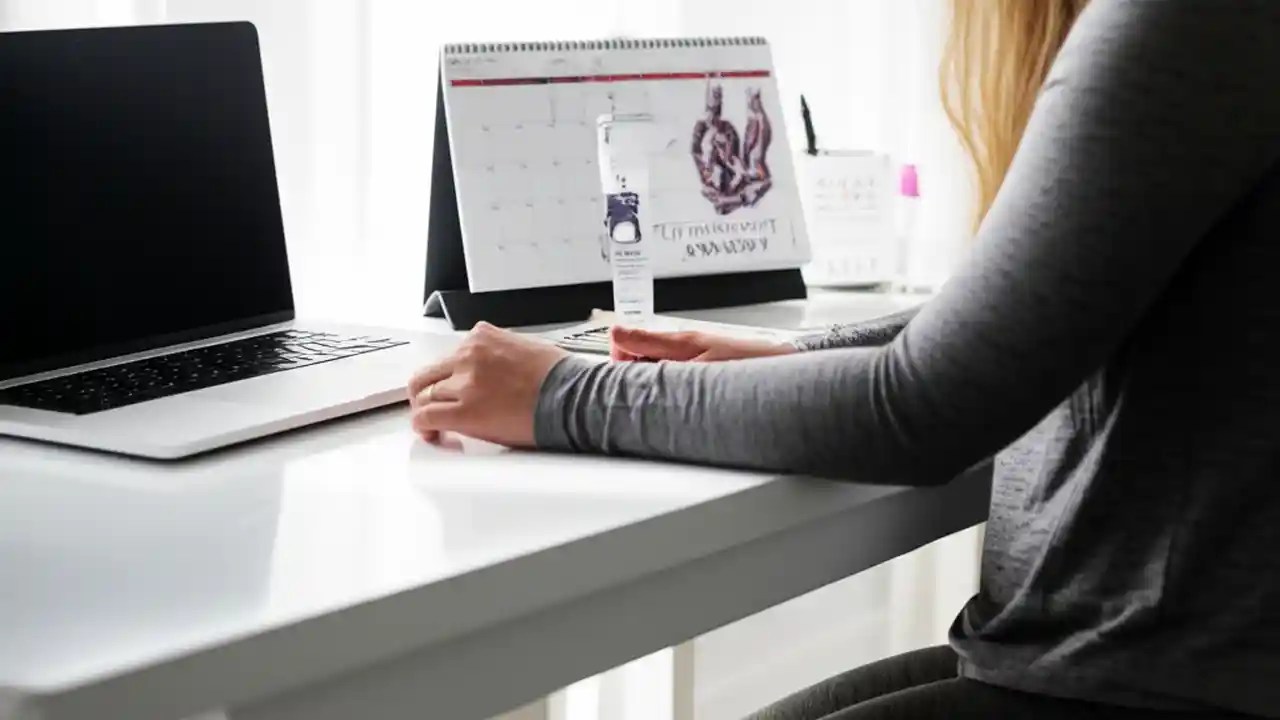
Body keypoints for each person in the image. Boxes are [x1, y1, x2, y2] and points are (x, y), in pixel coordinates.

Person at [408, 1, 1280, 716]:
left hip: (1153, 683)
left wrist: (565, 393)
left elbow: (920, 412)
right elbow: (1029, 323)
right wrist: (797, 354)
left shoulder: (1185, 25)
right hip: (1117, 661)